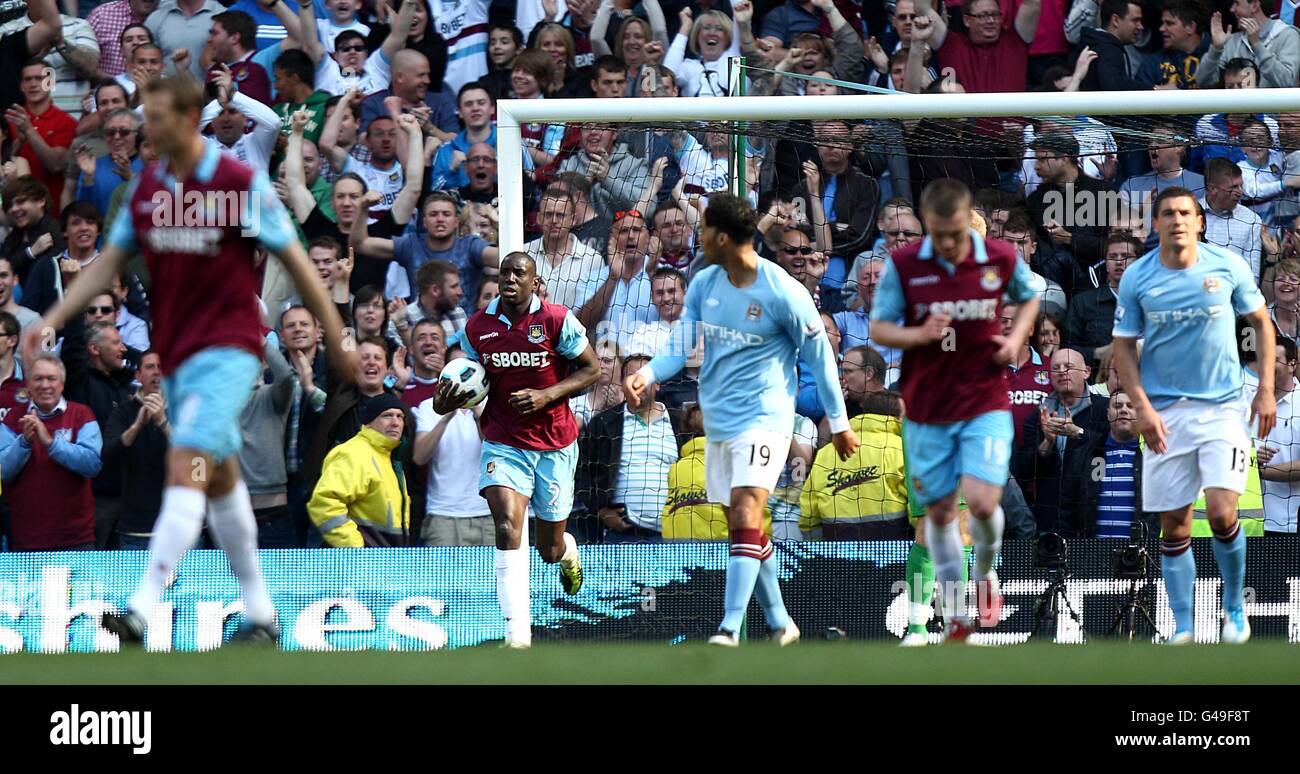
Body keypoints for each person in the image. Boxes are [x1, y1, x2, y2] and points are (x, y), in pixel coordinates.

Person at [24, 75, 355, 645]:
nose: (147, 130)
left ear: (187, 117)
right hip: (176, 355)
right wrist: (54, 318)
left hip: (228, 349)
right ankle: (260, 611)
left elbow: (297, 261)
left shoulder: (237, 182)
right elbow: (108, 264)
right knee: (218, 477)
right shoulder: (150, 188)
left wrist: (337, 337)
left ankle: (143, 604)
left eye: (156, 118)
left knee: (188, 463)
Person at [625, 193, 859, 647]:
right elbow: (680, 345)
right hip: (721, 420)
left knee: (749, 508)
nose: (700, 237)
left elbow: (823, 359)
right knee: (744, 525)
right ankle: (781, 622)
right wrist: (647, 373)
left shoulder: (782, 291)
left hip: (768, 417)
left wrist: (841, 421)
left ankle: (729, 628)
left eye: (705, 231)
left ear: (724, 237)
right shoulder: (704, 284)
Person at [868, 178, 1040, 641]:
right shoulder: (907, 269)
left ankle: (981, 581)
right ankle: (925, 625)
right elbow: (879, 328)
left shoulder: (996, 263)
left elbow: (1032, 296)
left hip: (981, 404)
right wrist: (917, 336)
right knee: (933, 524)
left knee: (979, 509)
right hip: (926, 411)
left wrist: (1016, 339)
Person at [1111, 185, 1276, 645]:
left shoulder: (1227, 265)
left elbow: (1262, 323)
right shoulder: (1138, 277)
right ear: (1156, 223)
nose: (1177, 219)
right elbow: (1123, 346)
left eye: (1185, 212)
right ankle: (1183, 626)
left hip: (1224, 408)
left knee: (1223, 514)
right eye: (1167, 213)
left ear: (1199, 221)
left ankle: (1234, 607)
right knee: (1174, 525)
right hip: (1164, 414)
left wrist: (1264, 391)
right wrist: (1142, 408)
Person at [433, 251, 601, 649]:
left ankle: (568, 553)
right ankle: (516, 637)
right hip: (503, 441)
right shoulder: (478, 327)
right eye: (504, 272)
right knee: (507, 526)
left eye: (518, 273)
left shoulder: (556, 320)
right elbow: (468, 380)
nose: (509, 279)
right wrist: (446, 401)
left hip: (554, 444)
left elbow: (592, 369)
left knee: (548, 548)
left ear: (534, 281)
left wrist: (547, 395)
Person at [0, 353, 102, 551]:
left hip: (75, 539)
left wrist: (50, 442)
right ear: (28, 385)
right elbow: (3, 472)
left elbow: (92, 464)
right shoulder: (14, 418)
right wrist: (24, 442)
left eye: (51, 378)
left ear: (62, 384)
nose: (44, 385)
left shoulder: (82, 414)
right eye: (38, 379)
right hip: (25, 539)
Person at [579, 348, 680, 542]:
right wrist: (601, 510)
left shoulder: (679, 423)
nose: (636, 383)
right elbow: (583, 473)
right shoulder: (604, 423)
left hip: (673, 533)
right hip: (622, 533)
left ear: (657, 383)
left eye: (642, 377)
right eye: (630, 377)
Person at [1014, 347, 1111, 533]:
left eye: (1068, 366)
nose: (1062, 372)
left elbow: (1109, 455)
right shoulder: (1037, 417)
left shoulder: (1104, 410)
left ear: (1086, 372)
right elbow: (1023, 473)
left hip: (1094, 517)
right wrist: (1047, 443)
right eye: (1056, 368)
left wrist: (1077, 432)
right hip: (1049, 522)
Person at [307, 392, 411, 547]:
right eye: (387, 415)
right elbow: (325, 504)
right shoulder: (353, 453)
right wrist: (356, 550)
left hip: (385, 561)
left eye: (400, 416)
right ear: (369, 422)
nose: (395, 422)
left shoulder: (390, 457)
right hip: (359, 564)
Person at [101, 349, 168, 549]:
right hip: (136, 528)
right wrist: (137, 426)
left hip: (179, 527)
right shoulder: (122, 411)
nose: (156, 372)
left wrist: (163, 422)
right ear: (138, 375)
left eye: (161, 367)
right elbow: (108, 454)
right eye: (150, 367)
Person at [1195, 0, 1300, 89]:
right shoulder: (1232, 41)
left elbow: (1287, 82)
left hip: (1274, 112)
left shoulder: (1287, 35)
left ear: (1254, 5)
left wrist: (1257, 45)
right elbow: (1203, 81)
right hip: (1236, 111)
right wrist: (1216, 49)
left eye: (1237, 3)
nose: (1232, 9)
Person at [1255, 337, 1300, 534]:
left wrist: (1257, 471)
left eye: (1274, 359)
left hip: (1289, 524)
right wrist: (1250, 459)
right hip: (1249, 524)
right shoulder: (1247, 403)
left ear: (1292, 365)